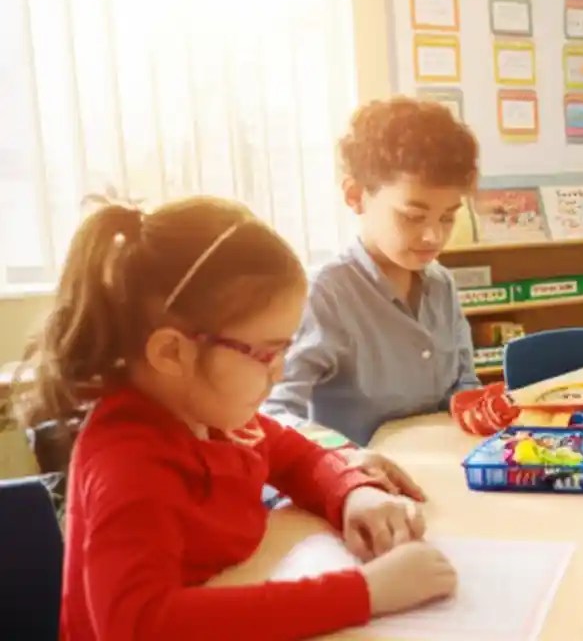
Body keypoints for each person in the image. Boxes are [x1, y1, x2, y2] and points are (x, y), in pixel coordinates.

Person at [21, 196, 456, 640]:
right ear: (172, 352)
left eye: (285, 349)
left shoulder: (208, 413)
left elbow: (292, 454)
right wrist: (365, 592)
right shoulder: (128, 463)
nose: (280, 371)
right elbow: (142, 624)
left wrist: (351, 494)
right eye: (266, 353)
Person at [266, 98, 481, 445]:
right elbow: (274, 414)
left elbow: (464, 385)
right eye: (413, 216)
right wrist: (346, 456)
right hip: (356, 484)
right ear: (356, 196)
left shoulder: (441, 284)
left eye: (447, 217)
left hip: (441, 471)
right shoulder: (323, 294)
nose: (434, 236)